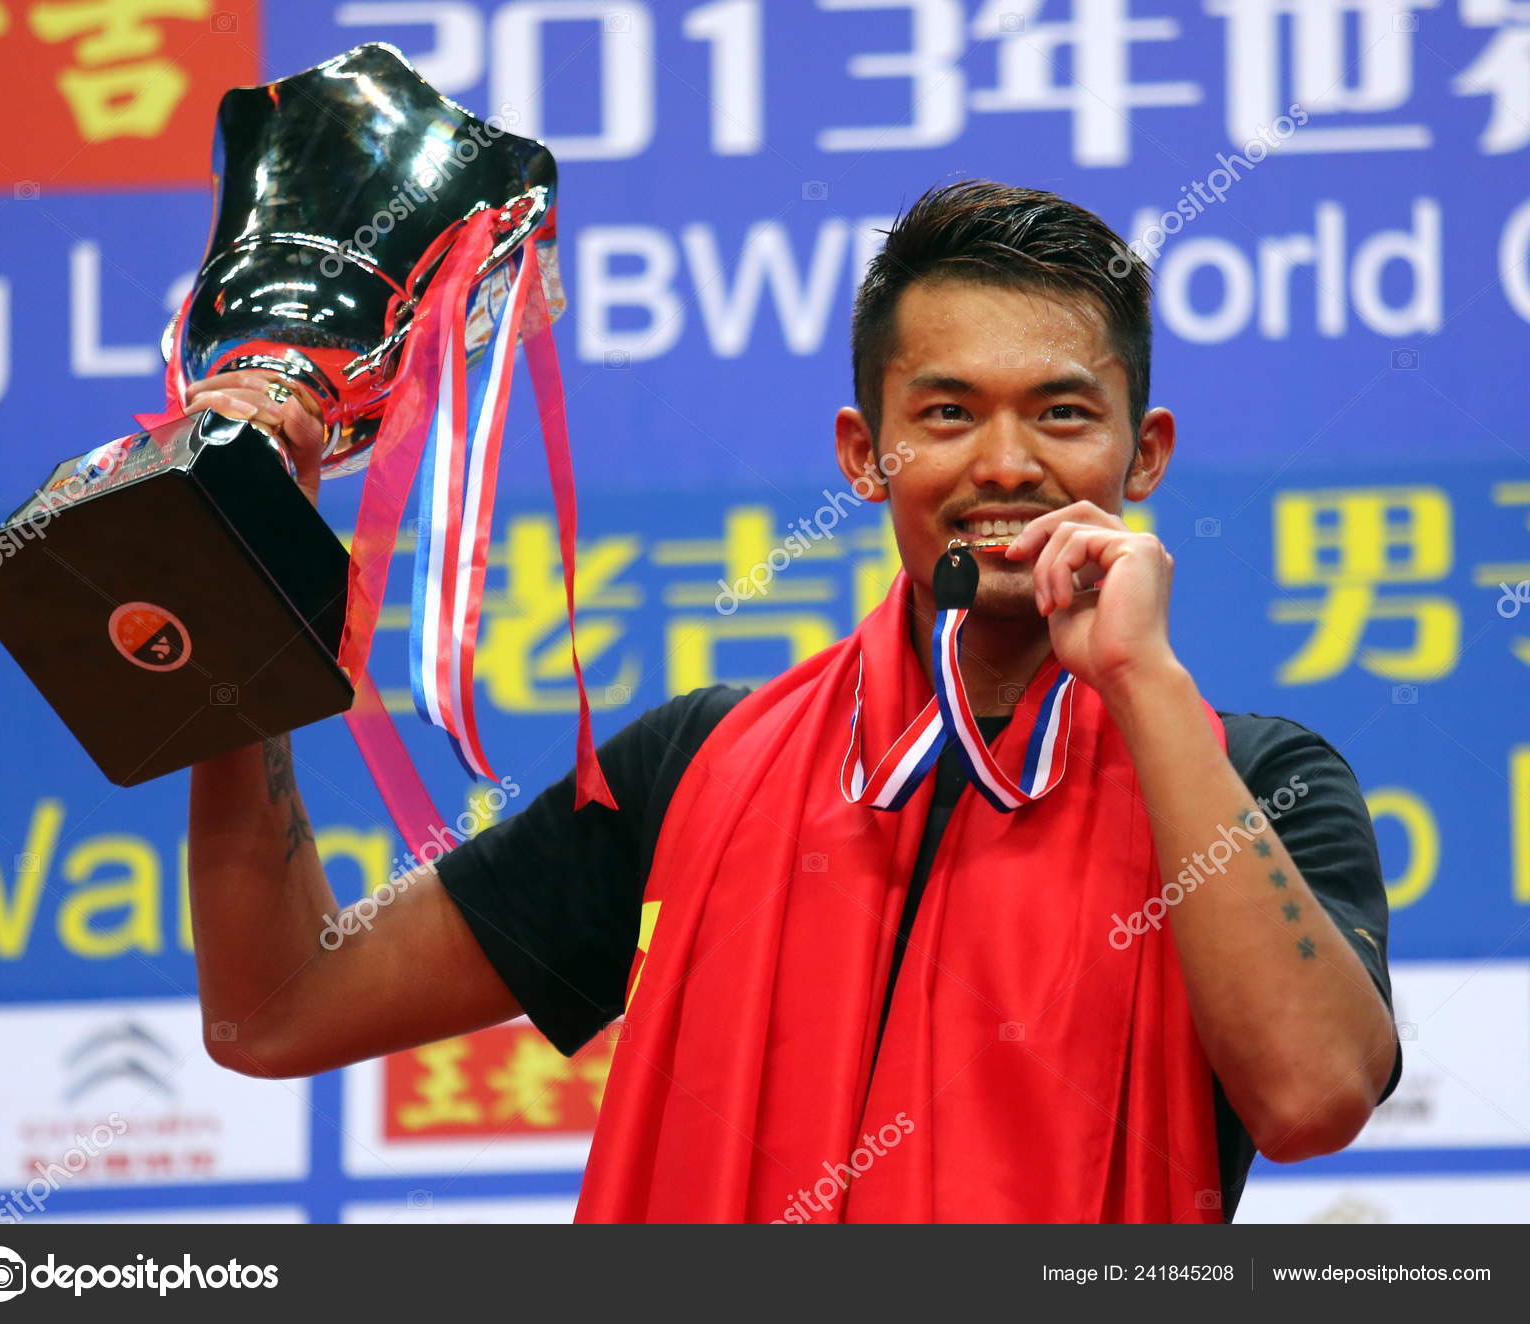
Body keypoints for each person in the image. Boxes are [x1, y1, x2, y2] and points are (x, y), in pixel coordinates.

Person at [186, 179, 1399, 1224]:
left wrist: (1141, 679)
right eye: (946, 411)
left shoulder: (1255, 777)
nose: (1007, 463)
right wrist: (238, 584)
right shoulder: (701, 767)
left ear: (1145, 455)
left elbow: (1311, 1096)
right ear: (862, 456)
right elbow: (278, 1008)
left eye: (1064, 412)